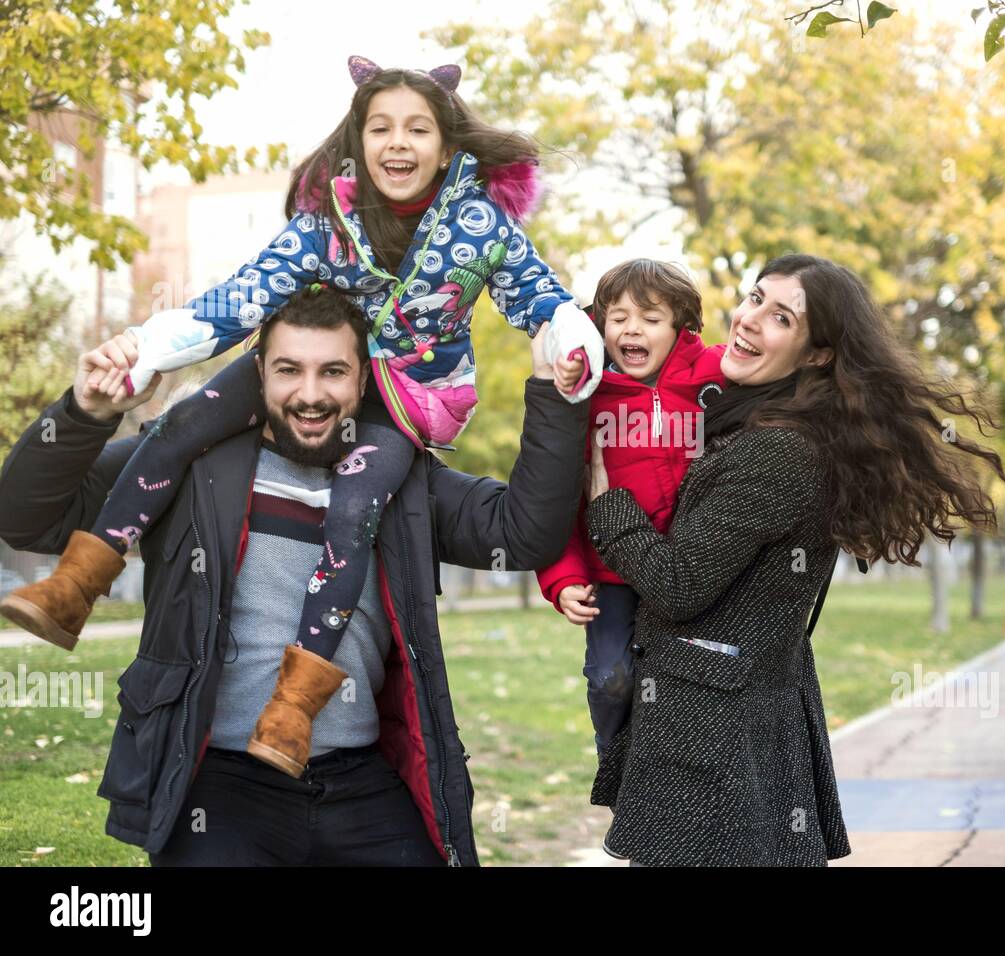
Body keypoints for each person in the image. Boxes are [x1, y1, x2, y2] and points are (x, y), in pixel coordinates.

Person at [0, 55, 603, 779]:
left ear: (447, 145)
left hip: (402, 396)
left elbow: (542, 301)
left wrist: (569, 354)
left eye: (417, 128)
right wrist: (144, 356)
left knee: (355, 511)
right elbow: (242, 298)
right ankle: (74, 588)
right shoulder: (327, 225)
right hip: (329, 362)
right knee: (178, 425)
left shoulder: (483, 224)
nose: (398, 142)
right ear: (357, 141)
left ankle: (294, 707)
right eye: (380, 127)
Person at [0, 287, 590, 865]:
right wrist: (84, 415)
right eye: (289, 370)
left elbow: (524, 534)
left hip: (361, 782)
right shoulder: (190, 464)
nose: (310, 395)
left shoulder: (406, 480)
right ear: (259, 373)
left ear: (365, 379)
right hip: (218, 784)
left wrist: (553, 396)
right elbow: (23, 518)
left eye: (333, 371)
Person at [583, 254, 1005, 866]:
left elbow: (677, 584)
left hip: (718, 735)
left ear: (816, 353)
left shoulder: (779, 451)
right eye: (755, 298)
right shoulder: (759, 419)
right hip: (727, 715)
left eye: (780, 316)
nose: (750, 319)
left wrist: (607, 505)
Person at [535, 260, 725, 758]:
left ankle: (682, 773)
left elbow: (768, 369)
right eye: (617, 318)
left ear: (681, 326)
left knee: (689, 681)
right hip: (610, 571)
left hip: (689, 568)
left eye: (650, 317)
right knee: (612, 677)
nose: (631, 329)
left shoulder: (710, 378)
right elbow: (558, 498)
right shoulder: (586, 396)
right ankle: (615, 762)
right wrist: (563, 578)